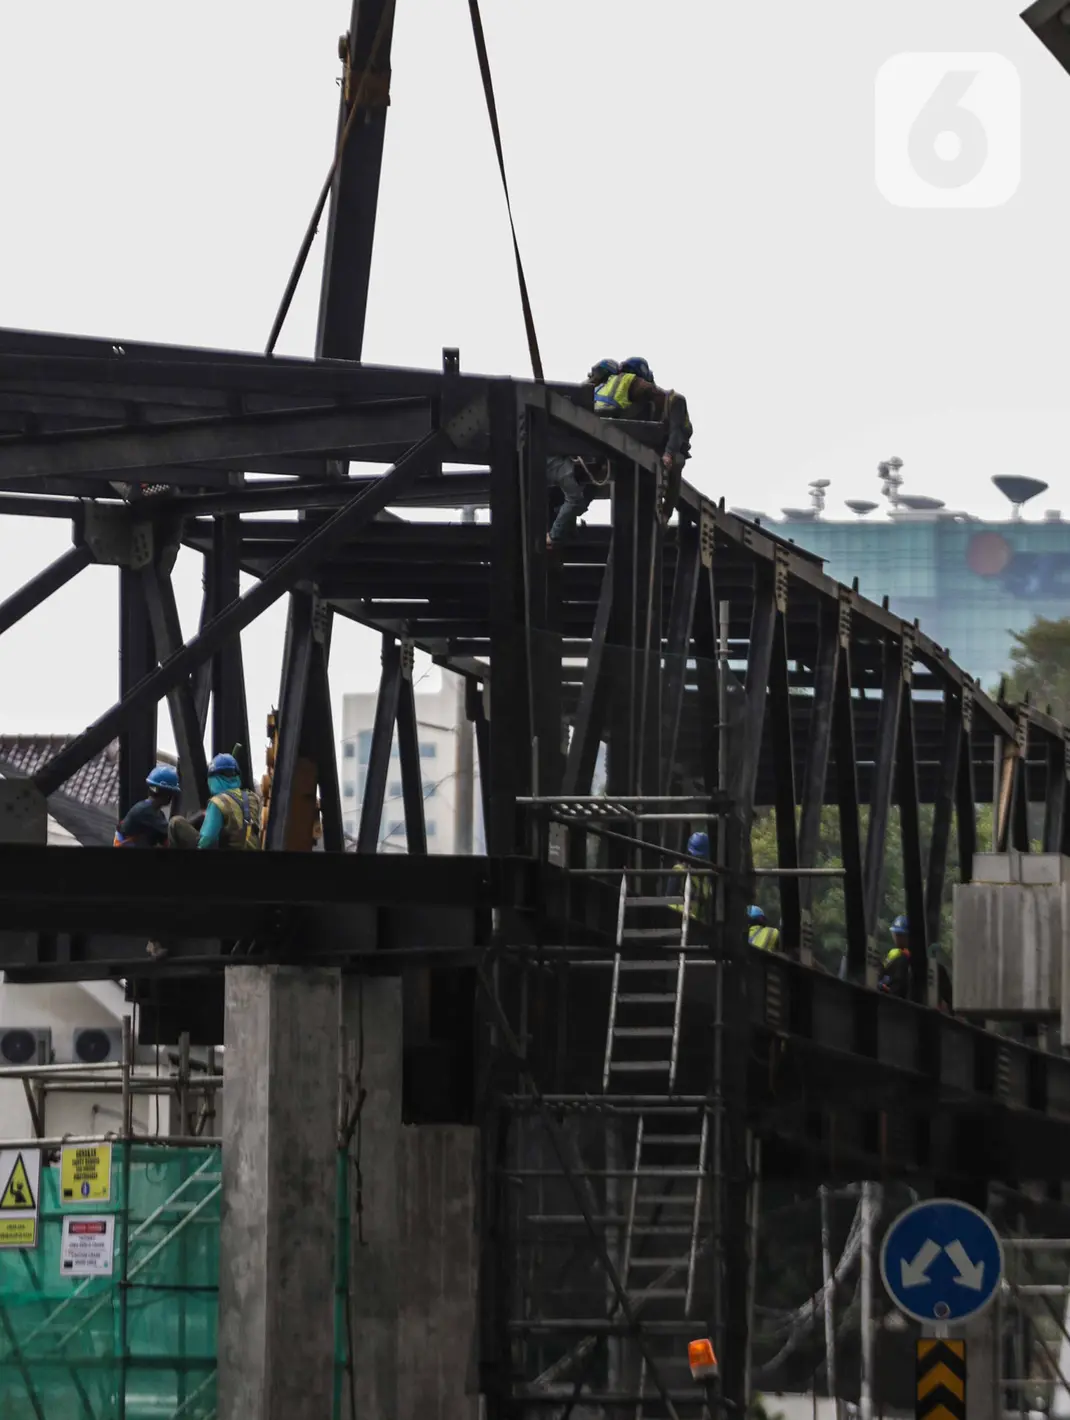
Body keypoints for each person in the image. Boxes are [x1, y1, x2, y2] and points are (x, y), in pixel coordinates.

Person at [593, 356, 692, 519]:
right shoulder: (639, 400)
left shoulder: (674, 400)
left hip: (675, 445)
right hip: (653, 444)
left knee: (676, 464)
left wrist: (668, 454)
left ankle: (665, 515)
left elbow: (676, 432)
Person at [547, 360, 619, 551]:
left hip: (567, 457)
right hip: (560, 458)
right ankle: (554, 535)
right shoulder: (587, 396)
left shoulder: (584, 394)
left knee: (584, 491)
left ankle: (563, 525)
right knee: (574, 499)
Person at [169, 753, 261, 851]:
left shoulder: (218, 802)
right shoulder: (253, 798)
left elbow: (207, 840)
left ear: (214, 778)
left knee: (176, 822)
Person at [113, 765, 180, 847]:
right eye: (172, 794)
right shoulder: (145, 811)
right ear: (167, 794)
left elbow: (164, 838)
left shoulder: (156, 813)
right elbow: (172, 832)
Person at [668, 831, 713, 922]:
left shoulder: (706, 877)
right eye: (696, 857)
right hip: (680, 921)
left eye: (702, 858)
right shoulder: (679, 871)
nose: (698, 861)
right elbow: (669, 902)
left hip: (700, 924)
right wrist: (683, 912)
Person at [878, 915, 911, 998]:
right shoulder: (893, 953)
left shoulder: (907, 957)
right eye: (896, 934)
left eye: (901, 935)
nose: (897, 938)